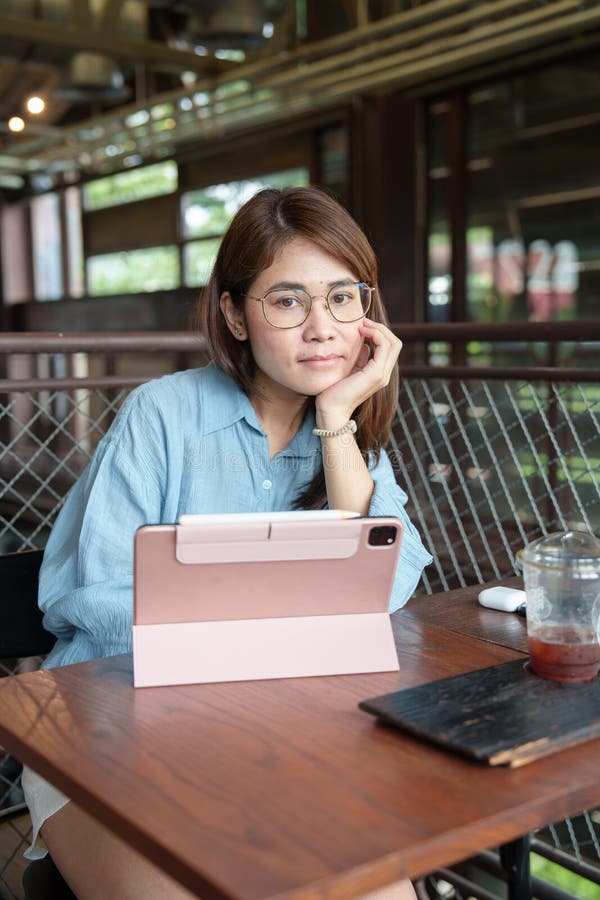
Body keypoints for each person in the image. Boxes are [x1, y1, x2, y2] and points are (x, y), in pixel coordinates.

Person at [22, 186, 432, 899]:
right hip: (105, 727)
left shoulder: (350, 434)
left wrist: (338, 416)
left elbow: (387, 588)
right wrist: (283, 631)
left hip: (280, 732)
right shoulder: (162, 414)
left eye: (343, 297)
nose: (322, 328)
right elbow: (96, 601)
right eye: (286, 301)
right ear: (236, 315)